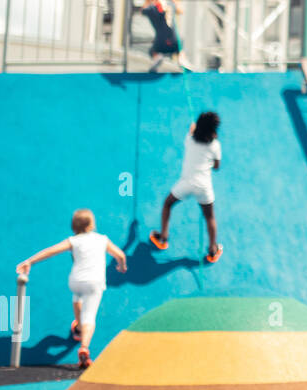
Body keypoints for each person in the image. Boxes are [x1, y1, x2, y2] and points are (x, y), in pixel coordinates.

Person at [15, 209, 127, 369]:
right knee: (90, 316)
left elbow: (51, 251)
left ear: (74, 226)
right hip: (94, 283)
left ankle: (79, 328)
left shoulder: (74, 241)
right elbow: (120, 255)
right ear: (92, 224)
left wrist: (30, 261)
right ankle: (84, 347)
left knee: (77, 297)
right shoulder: (102, 239)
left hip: (76, 281)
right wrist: (121, 267)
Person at [149, 111, 223, 263]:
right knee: (210, 217)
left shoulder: (189, 139)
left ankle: (163, 238)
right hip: (204, 187)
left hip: (186, 184)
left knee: (167, 204)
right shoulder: (215, 145)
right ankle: (213, 250)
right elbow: (216, 166)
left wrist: (194, 127)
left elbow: (192, 129)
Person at [141, 0, 182, 72]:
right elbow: (180, 10)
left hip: (160, 42)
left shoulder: (150, 9)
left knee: (152, 51)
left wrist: (146, 2)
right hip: (175, 40)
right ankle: (181, 59)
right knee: (180, 48)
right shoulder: (170, 5)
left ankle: (157, 57)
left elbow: (143, 10)